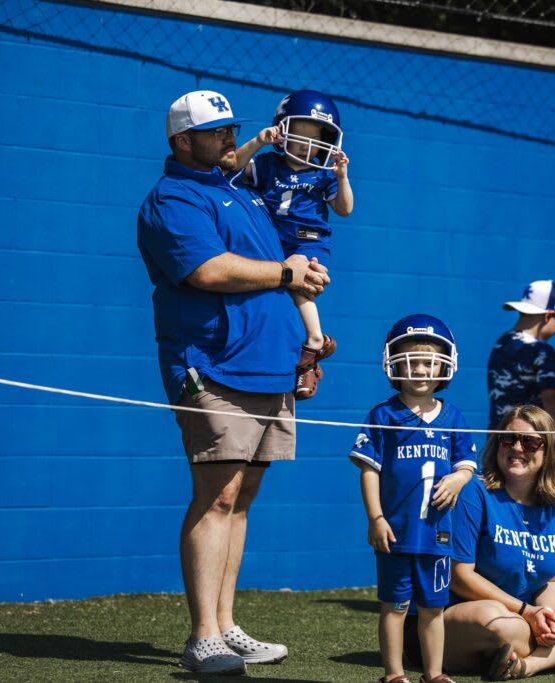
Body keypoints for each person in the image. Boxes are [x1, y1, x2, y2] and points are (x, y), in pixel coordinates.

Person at [137, 90, 329, 675]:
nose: (229, 138)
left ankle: (224, 625)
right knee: (216, 494)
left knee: (241, 499)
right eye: (216, 131)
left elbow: (281, 281)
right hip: (212, 367)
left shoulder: (240, 193)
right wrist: (284, 270)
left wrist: (305, 350)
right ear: (181, 142)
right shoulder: (172, 198)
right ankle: (203, 638)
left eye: (231, 129)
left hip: (269, 368)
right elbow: (208, 271)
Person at [425, 405, 555, 680]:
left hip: (527, 611)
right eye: (509, 439)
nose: (517, 448)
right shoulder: (475, 492)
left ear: (548, 450)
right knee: (505, 626)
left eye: (529, 441)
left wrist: (546, 617)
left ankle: (529, 665)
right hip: (465, 612)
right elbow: (459, 577)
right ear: (497, 444)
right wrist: (527, 613)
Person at [349, 314, 479, 683]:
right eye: (411, 362)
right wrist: (376, 518)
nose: (420, 370)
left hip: (437, 534)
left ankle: (434, 673)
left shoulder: (453, 418)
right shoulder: (383, 415)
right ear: (394, 365)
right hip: (397, 532)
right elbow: (369, 470)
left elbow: (467, 464)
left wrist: (458, 478)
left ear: (444, 367)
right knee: (394, 606)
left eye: (428, 362)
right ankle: (394, 674)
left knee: (433, 609)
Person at [234, 89, 354, 399]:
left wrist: (342, 177)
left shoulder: (323, 174)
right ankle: (307, 353)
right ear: (282, 130)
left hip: (309, 241)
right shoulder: (268, 164)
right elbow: (232, 168)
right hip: (272, 241)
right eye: (300, 135)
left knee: (299, 283)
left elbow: (344, 209)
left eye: (315, 137)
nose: (307, 145)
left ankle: (314, 340)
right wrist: (259, 140)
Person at [487, 280, 555, 431]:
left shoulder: (501, 344)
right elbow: (551, 400)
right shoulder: (542, 352)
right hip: (529, 442)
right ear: (548, 316)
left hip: (497, 440)